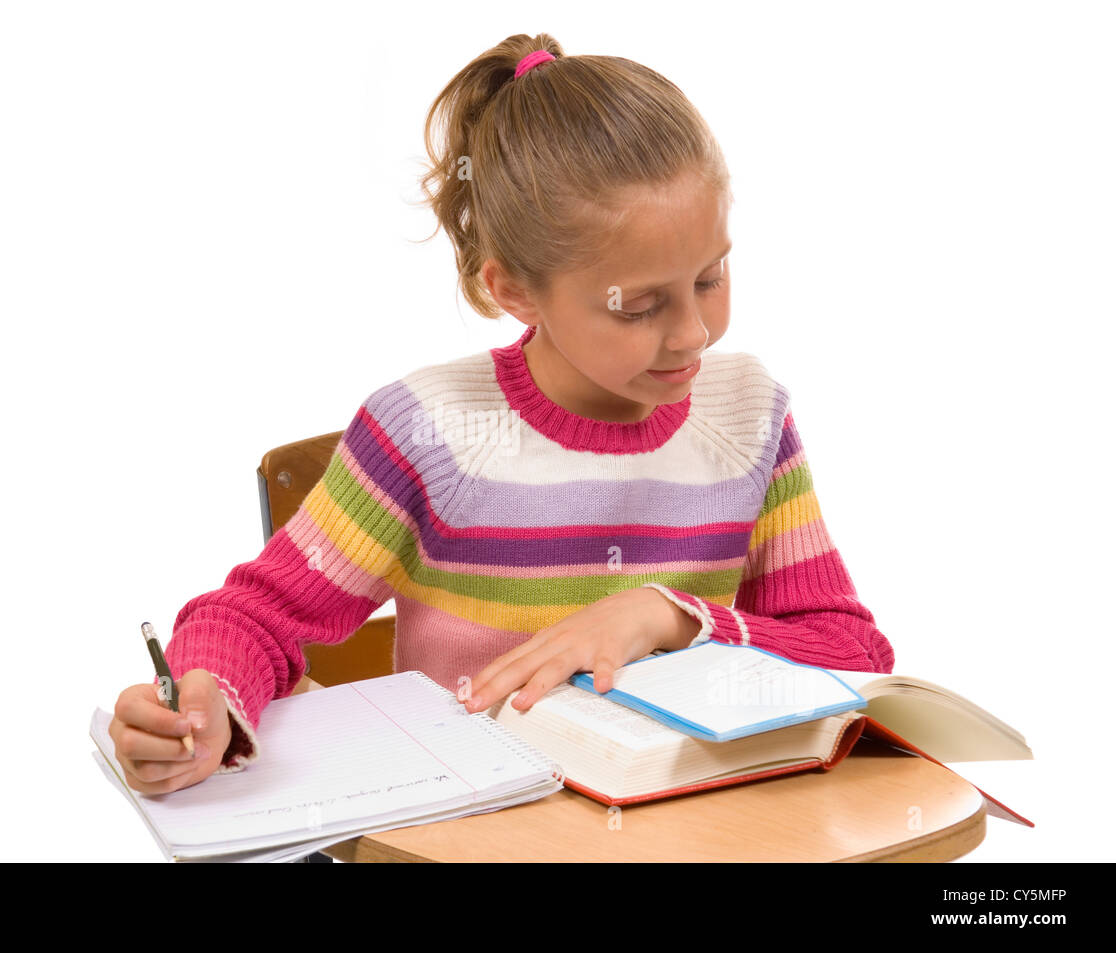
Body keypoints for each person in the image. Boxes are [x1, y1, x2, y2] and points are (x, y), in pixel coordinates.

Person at [109, 33, 896, 796]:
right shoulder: (429, 433)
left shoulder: (748, 418)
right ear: (516, 291)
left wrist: (668, 614)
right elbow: (257, 614)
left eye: (711, 276)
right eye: (642, 305)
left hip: (696, 831)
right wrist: (207, 694)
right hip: (480, 838)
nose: (692, 333)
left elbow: (855, 653)